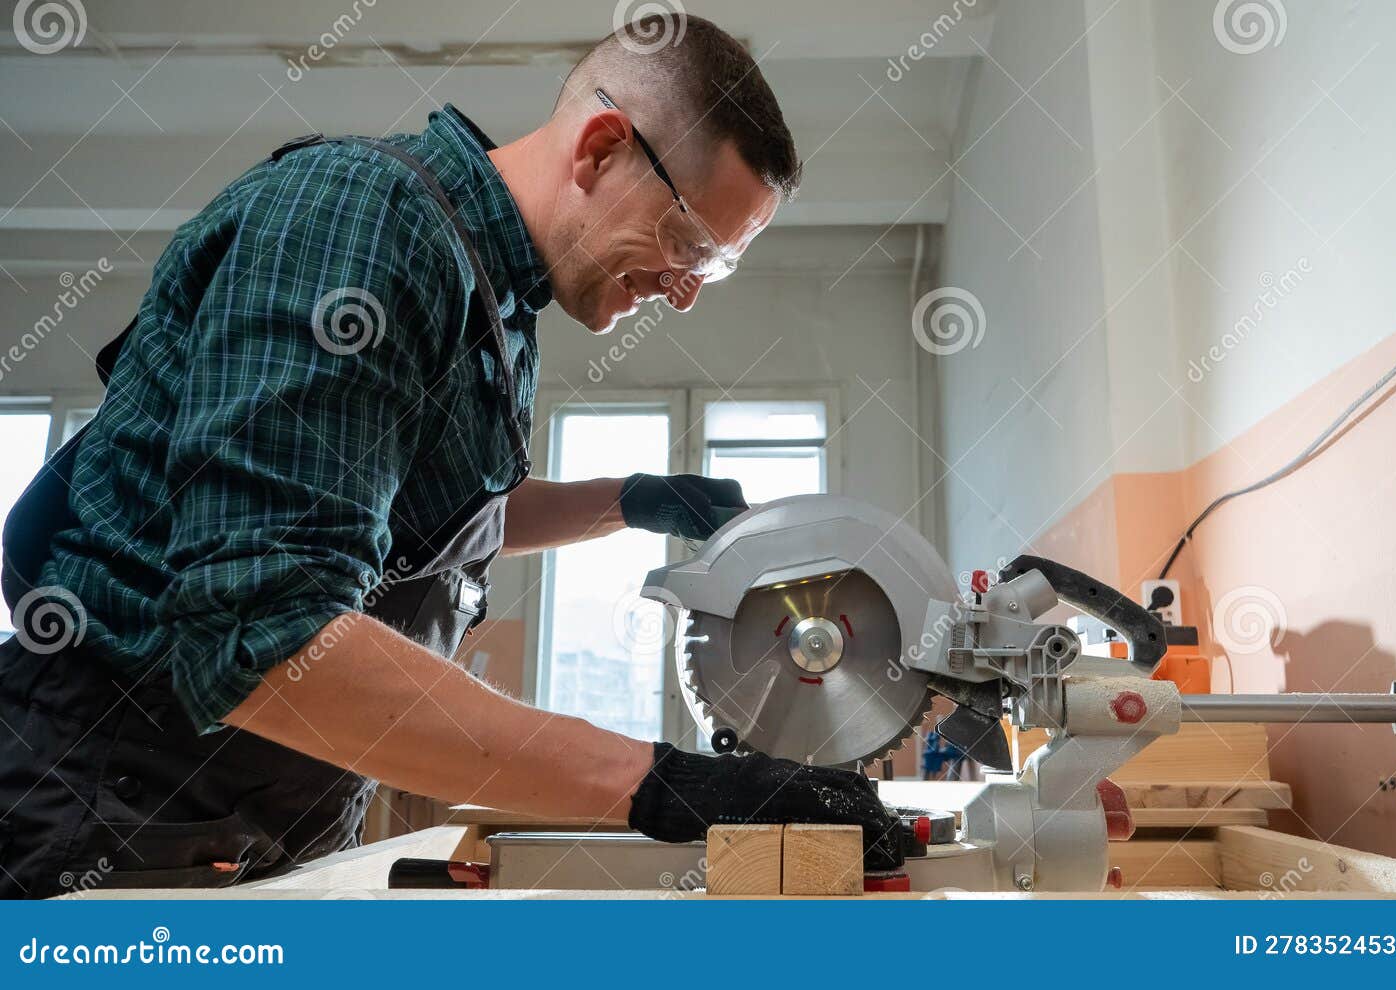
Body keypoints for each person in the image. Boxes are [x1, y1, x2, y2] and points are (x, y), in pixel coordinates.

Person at [0, 13, 901, 897]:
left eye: (713, 270)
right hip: (107, 815)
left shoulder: (491, 291)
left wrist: (629, 499)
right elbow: (259, 636)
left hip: (254, 823)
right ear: (599, 149)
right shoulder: (357, 222)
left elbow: (417, 523)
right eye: (686, 246)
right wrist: (655, 784)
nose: (684, 292)